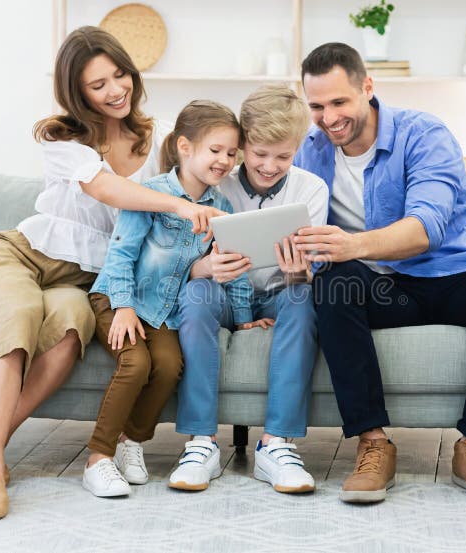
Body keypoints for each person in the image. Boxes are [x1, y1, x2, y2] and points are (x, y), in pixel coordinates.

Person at [0, 27, 222, 520]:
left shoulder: (160, 139)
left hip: (84, 281)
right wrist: (177, 206)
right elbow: (106, 189)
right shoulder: (62, 139)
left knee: (66, 338)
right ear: (77, 93)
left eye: (120, 75)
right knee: (17, 320)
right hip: (25, 255)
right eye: (98, 85)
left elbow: (204, 163)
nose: (116, 90)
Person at [292, 43, 466, 505]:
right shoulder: (310, 151)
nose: (329, 118)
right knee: (333, 281)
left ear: (368, 88)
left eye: (339, 102)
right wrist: (298, 261)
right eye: (317, 106)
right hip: (386, 290)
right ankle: (372, 445)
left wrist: (351, 245)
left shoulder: (424, 134)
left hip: (456, 276)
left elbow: (426, 228)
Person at [80, 99, 246, 497]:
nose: (224, 161)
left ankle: (130, 443)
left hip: (162, 313)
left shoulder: (222, 208)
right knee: (136, 363)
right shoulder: (149, 194)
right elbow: (121, 254)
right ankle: (98, 458)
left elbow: (226, 266)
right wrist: (123, 308)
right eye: (215, 150)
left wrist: (242, 316)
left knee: (170, 366)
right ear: (185, 147)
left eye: (231, 153)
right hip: (118, 299)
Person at [167, 85, 329, 493]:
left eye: (283, 157)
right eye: (259, 154)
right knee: (195, 293)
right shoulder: (215, 184)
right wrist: (204, 267)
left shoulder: (311, 189)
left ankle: (276, 444)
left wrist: (299, 272)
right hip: (224, 295)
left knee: (304, 297)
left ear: (297, 150)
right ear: (242, 146)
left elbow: (310, 271)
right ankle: (201, 442)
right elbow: (179, 258)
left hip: (280, 292)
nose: (270, 166)